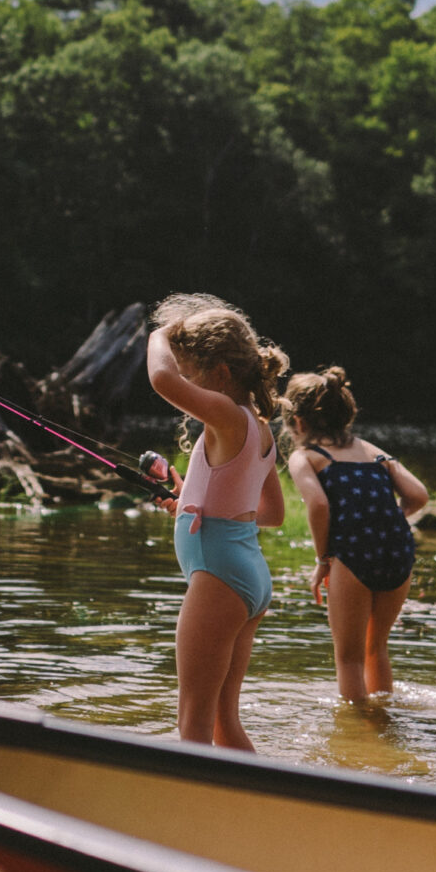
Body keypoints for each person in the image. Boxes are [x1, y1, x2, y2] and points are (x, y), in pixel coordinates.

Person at [145, 294, 288, 751]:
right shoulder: (259, 428)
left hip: (221, 578)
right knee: (225, 723)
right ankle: (260, 809)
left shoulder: (227, 416)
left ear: (220, 374)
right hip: (248, 574)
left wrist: (160, 333)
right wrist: (191, 503)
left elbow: (160, 377)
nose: (187, 385)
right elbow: (271, 513)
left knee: (193, 723)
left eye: (194, 376)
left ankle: (192, 817)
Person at [284, 365, 427, 706]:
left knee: (348, 658)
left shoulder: (306, 457)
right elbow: (419, 495)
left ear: (299, 423)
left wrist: (322, 560)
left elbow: (318, 505)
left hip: (352, 553)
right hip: (398, 549)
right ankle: (384, 720)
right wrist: (384, 521)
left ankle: (358, 737)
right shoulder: (372, 450)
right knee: (375, 648)